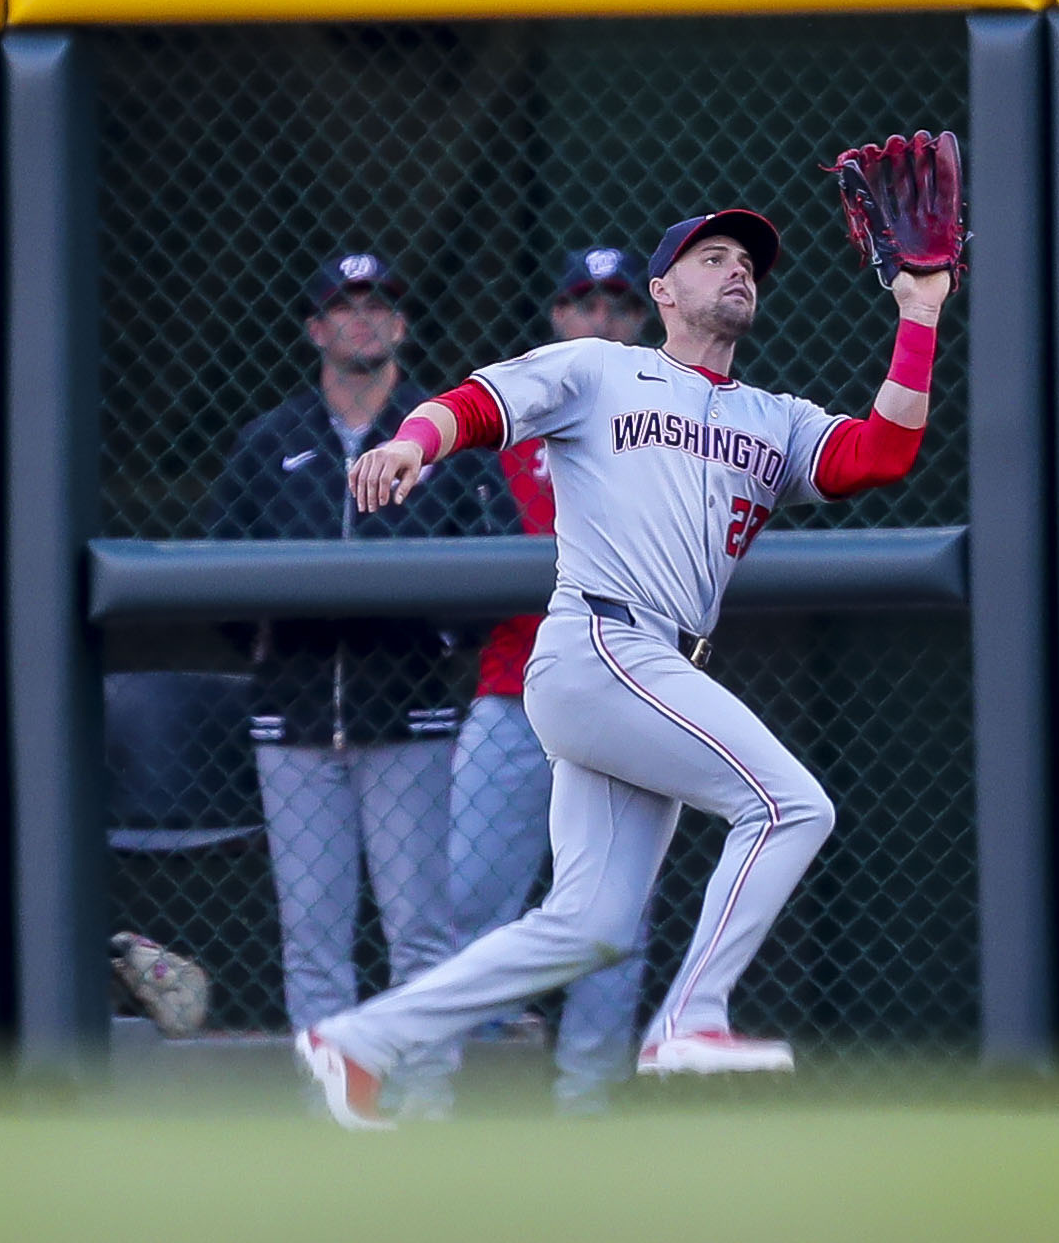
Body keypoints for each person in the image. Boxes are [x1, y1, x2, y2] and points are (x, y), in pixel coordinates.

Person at [294, 206, 955, 1128]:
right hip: (604, 641)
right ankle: (692, 1015)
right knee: (793, 804)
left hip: (644, 669)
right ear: (661, 291)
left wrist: (919, 311)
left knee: (590, 926)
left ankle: (362, 1039)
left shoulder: (776, 419)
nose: (736, 272)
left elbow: (884, 453)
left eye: (747, 264)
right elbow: (480, 402)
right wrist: (412, 440)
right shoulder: (602, 367)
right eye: (712, 257)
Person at [201, 251, 511, 1110]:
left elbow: (500, 556)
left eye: (378, 304)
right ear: (315, 329)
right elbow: (214, 570)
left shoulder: (441, 432)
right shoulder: (271, 442)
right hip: (295, 720)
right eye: (344, 305)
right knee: (312, 938)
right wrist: (264, 639)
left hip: (407, 713)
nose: (363, 319)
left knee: (418, 931)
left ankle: (427, 1107)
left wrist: (438, 635)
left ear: (402, 325)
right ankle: (335, 1113)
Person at [456, 245, 655, 1115]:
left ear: (642, 320)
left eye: (617, 303)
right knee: (465, 900)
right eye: (583, 302)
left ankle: (588, 1111)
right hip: (512, 687)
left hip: (626, 694)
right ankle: (459, 1089)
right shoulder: (513, 411)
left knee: (616, 921)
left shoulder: (675, 417)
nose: (601, 319)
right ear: (557, 319)